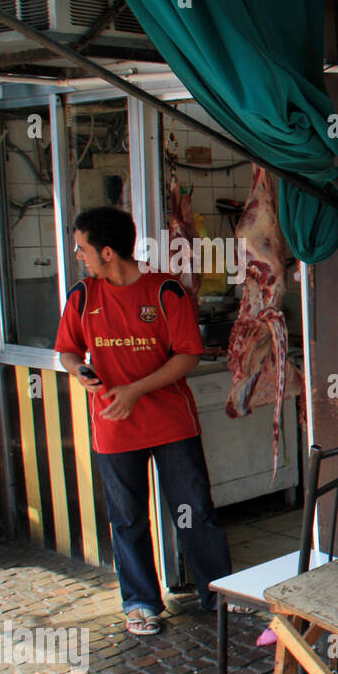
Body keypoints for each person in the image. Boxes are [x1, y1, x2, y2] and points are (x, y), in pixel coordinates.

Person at [55, 206, 232, 636]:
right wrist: (81, 372)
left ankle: (219, 593)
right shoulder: (83, 297)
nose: (79, 256)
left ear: (108, 252)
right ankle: (141, 602)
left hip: (171, 424)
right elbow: (67, 351)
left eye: (83, 249)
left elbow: (188, 355)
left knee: (192, 511)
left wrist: (135, 390)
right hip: (114, 427)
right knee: (128, 517)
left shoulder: (166, 292)